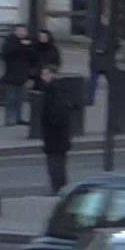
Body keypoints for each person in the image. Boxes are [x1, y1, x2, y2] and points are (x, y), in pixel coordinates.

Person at [39, 65, 74, 196]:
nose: (43, 77)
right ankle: (61, 190)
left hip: (55, 137)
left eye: (45, 74)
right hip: (60, 137)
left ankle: (59, 191)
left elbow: (56, 115)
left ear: (52, 74)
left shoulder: (53, 91)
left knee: (55, 166)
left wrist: (50, 126)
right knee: (59, 165)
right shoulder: (59, 90)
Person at [0, 25, 33, 126]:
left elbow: (31, 57)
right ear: (15, 31)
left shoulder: (27, 42)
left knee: (20, 98)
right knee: (11, 98)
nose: (22, 33)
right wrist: (21, 45)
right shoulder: (10, 41)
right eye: (20, 31)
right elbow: (7, 53)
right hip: (12, 73)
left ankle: (18, 118)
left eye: (24, 31)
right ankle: (10, 119)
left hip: (23, 74)